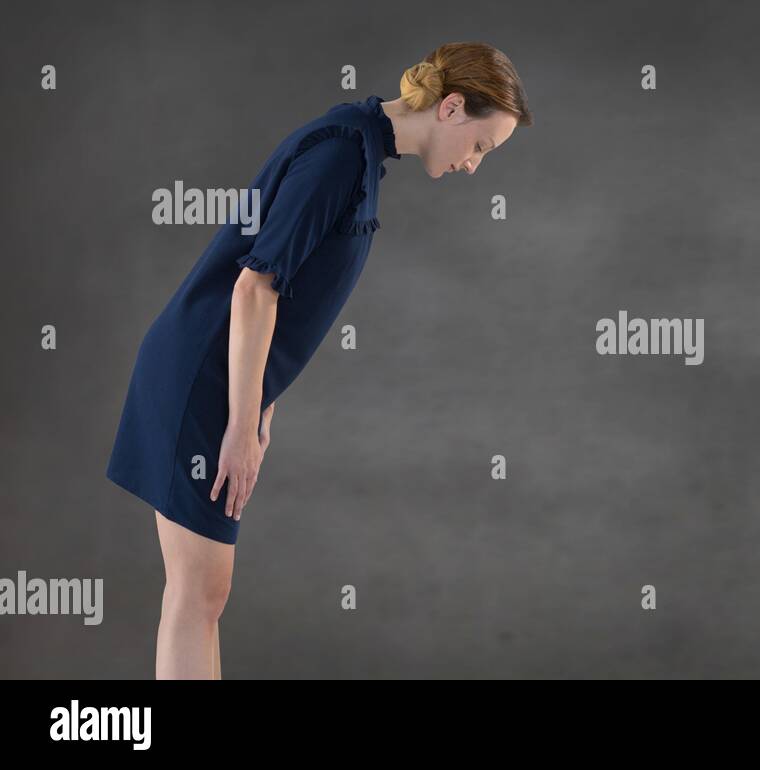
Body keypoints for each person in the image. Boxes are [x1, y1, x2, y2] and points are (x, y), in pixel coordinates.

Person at [106, 42, 532, 679]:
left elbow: (289, 287)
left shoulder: (361, 149)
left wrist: (262, 399)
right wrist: (241, 426)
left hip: (222, 378)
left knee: (203, 595)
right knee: (197, 593)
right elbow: (256, 285)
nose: (474, 165)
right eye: (481, 147)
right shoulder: (340, 152)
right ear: (450, 108)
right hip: (199, 377)